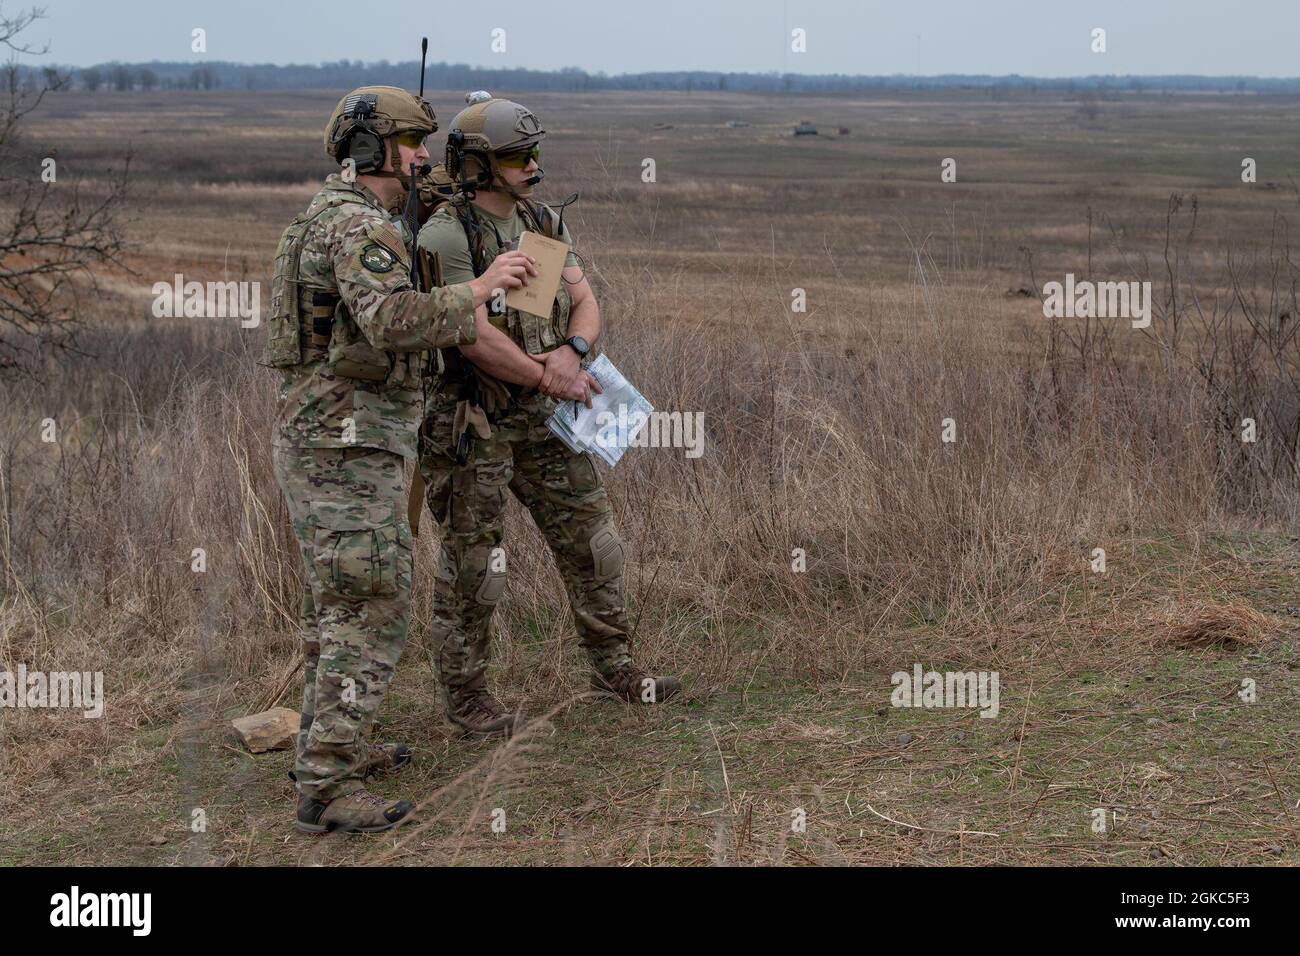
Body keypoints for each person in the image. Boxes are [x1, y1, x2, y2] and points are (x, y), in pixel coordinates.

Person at [266, 85, 537, 832]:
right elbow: (389, 319)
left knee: (338, 610)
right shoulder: (360, 230)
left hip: (328, 442)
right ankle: (325, 787)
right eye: (414, 143)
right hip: (347, 448)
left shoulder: (328, 217)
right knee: (371, 607)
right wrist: (479, 288)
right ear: (371, 148)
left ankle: (328, 748)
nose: (426, 157)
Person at [414, 94, 680, 738]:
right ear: (478, 164)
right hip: (470, 422)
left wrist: (574, 351)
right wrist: (547, 374)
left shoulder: (538, 222)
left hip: (544, 413)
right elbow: (470, 335)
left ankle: (616, 668)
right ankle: (469, 699)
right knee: (474, 564)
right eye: (514, 156)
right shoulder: (446, 236)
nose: (531, 166)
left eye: (534, 153)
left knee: (594, 542)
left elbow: (581, 302)